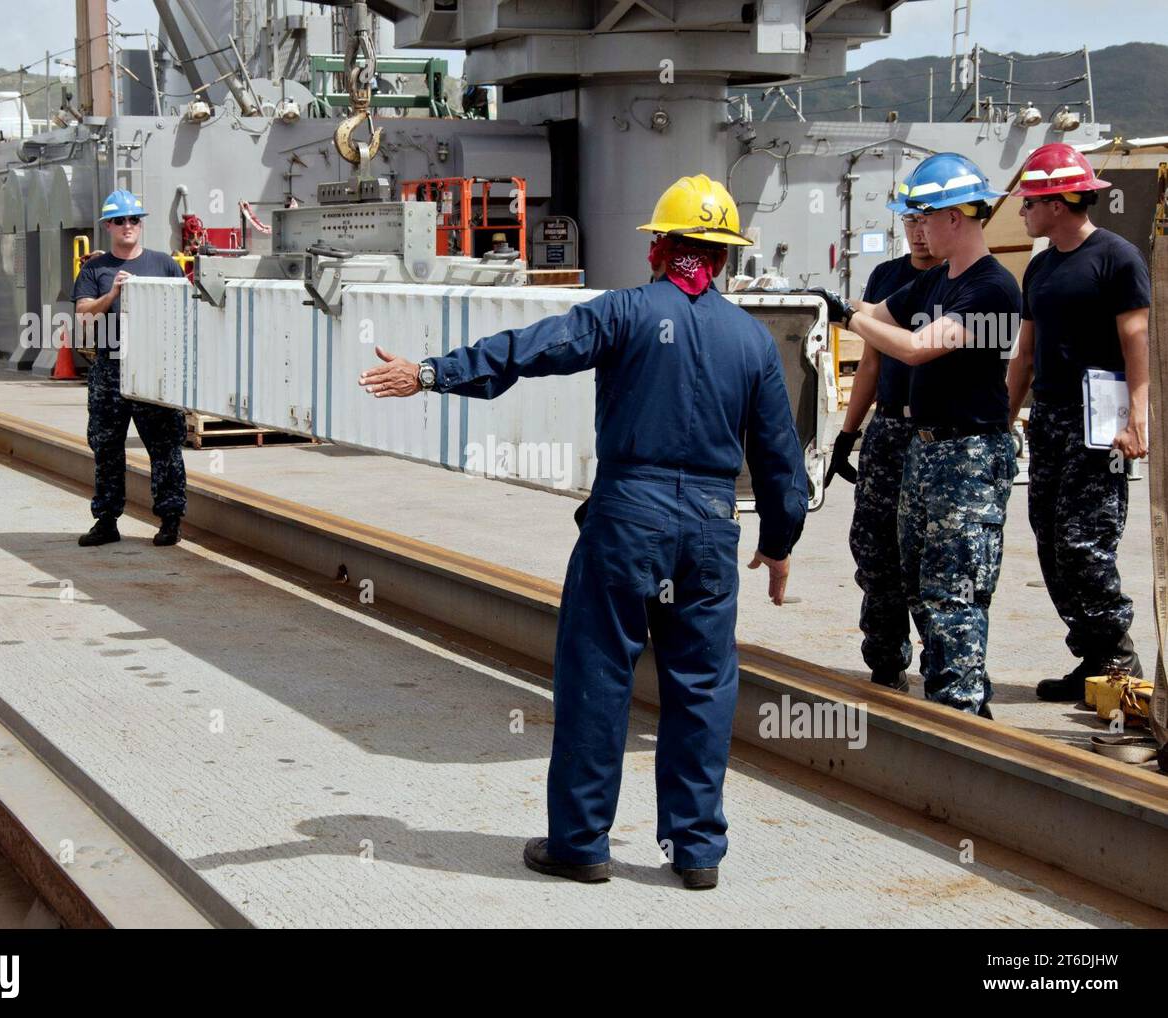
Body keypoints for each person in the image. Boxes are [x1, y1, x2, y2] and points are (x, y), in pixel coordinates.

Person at [358, 174, 808, 889]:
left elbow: (531, 350)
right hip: (710, 533)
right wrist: (779, 544)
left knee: (599, 677)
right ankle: (696, 853)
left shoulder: (624, 313)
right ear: (721, 259)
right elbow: (781, 455)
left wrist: (435, 374)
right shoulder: (751, 342)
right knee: (701, 686)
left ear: (659, 248)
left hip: (630, 519)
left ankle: (581, 843)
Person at [823, 152, 1021, 717]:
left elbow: (914, 347)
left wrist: (843, 315)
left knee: (953, 594)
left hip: (968, 457)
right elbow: (878, 315)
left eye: (924, 216)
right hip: (927, 454)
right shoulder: (937, 280)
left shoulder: (991, 290)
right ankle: (939, 708)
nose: (917, 227)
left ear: (954, 217)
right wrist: (808, 301)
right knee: (919, 584)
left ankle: (960, 714)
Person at [1005, 143, 1151, 701]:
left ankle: (1117, 660)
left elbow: (1135, 340)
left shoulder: (1117, 257)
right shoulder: (1040, 266)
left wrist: (1139, 420)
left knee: (1085, 543)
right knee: (1049, 537)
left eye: (1029, 203)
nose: (1022, 213)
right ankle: (1092, 656)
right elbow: (1026, 351)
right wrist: (1005, 416)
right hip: (1050, 418)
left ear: (1060, 202)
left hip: (1101, 423)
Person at [826, 195, 942, 692]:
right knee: (874, 548)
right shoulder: (886, 278)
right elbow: (871, 362)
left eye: (925, 221)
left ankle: (945, 668)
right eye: (910, 221)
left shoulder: (965, 281)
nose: (918, 233)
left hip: (939, 435)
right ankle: (886, 658)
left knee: (934, 556)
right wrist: (848, 433)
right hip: (889, 429)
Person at [72, 189, 190, 548]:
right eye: (120, 220)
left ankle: (170, 521)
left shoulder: (164, 265)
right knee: (107, 446)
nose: (128, 226)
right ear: (108, 226)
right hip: (111, 368)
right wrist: (112, 295)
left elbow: (186, 310)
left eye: (133, 220)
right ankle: (107, 521)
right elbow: (82, 315)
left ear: (140, 224)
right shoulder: (95, 269)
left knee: (165, 446)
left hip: (153, 366)